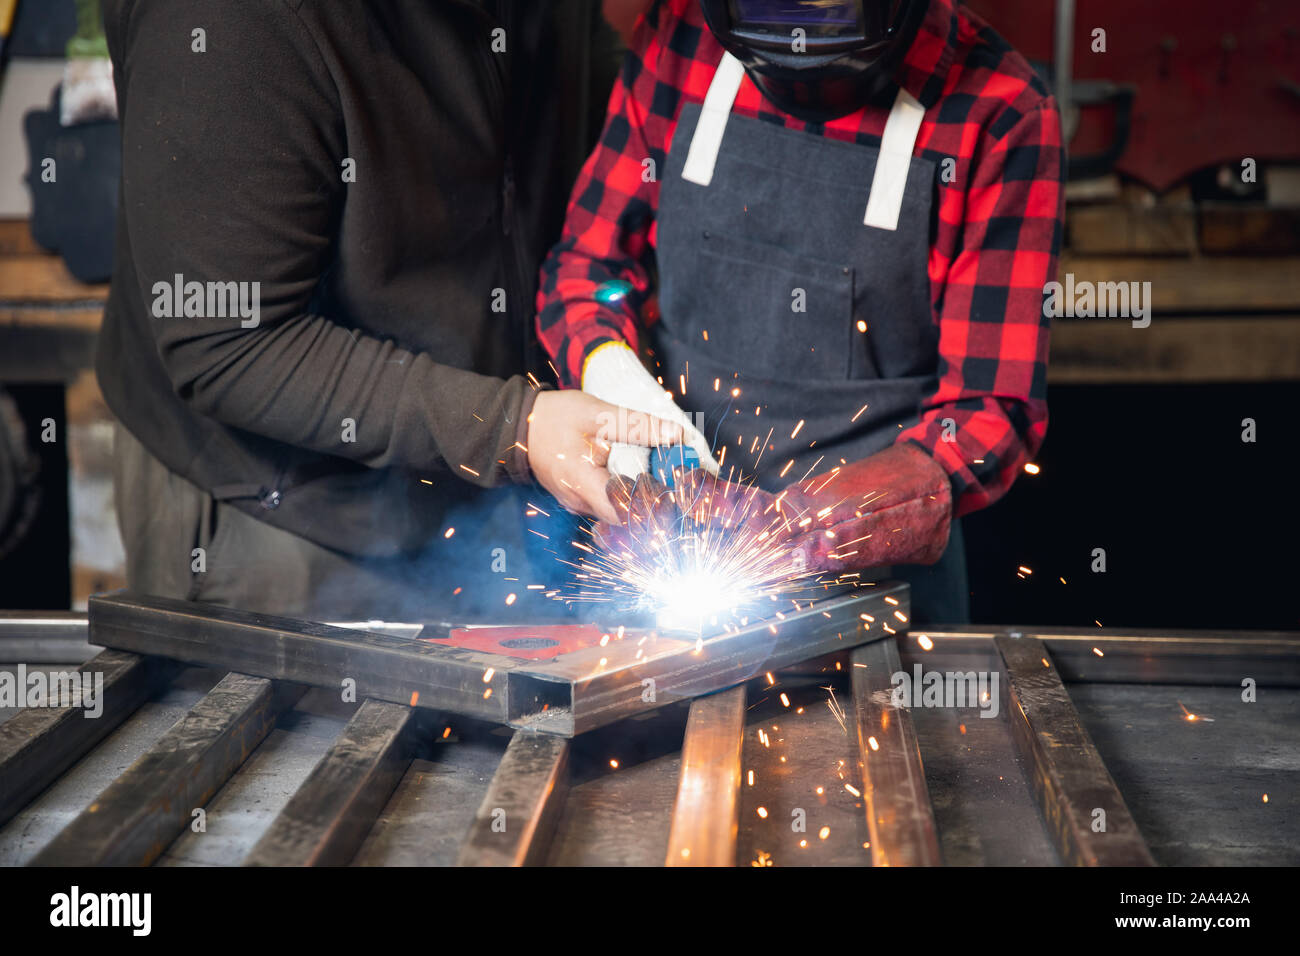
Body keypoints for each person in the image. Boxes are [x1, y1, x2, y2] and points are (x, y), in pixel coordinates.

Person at [96, 0, 682, 623]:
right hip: (286, 515)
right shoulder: (232, 22)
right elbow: (230, 344)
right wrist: (511, 426)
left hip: (494, 476)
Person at [537, 0, 1066, 623]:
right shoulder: (682, 37)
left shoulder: (1003, 109)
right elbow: (586, 269)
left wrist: (811, 527)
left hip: (878, 584)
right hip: (664, 552)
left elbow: (989, 409)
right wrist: (623, 391)